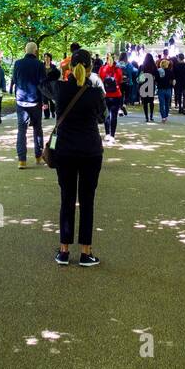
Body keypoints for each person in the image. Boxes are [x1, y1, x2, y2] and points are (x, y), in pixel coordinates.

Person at [51, 49, 105, 267]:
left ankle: (64, 251)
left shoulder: (60, 89)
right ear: (91, 68)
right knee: (87, 201)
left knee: (67, 199)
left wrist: (59, 69)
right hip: (90, 151)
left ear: (70, 67)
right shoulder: (95, 93)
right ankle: (85, 252)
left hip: (65, 151)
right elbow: (102, 117)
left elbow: (42, 83)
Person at [11, 42, 45, 169]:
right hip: (35, 100)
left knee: (21, 131)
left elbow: (15, 80)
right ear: (35, 51)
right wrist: (45, 101)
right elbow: (43, 84)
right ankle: (38, 156)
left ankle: (22, 161)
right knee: (37, 129)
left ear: (25, 50)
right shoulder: (39, 64)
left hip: (21, 101)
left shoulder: (18, 63)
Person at [100, 54, 125, 140]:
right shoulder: (118, 69)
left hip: (105, 94)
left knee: (106, 114)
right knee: (114, 115)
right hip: (116, 94)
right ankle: (112, 135)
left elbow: (100, 79)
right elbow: (120, 80)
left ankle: (107, 133)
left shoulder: (102, 69)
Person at [137, 53, 157, 122]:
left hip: (143, 85)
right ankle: (151, 115)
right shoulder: (154, 66)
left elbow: (138, 76)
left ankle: (146, 117)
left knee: (145, 102)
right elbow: (156, 75)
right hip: (151, 84)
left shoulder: (142, 66)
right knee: (151, 101)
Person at [156, 56, 174, 122]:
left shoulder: (158, 71)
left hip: (161, 89)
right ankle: (166, 115)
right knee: (167, 103)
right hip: (168, 89)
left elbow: (156, 80)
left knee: (161, 104)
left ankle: (163, 117)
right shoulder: (170, 72)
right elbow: (173, 80)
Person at [41, 53, 58, 119]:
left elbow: (56, 75)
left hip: (51, 85)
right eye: (45, 57)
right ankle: (46, 115)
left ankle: (53, 111)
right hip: (44, 85)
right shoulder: (41, 66)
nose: (46, 58)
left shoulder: (53, 66)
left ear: (50, 58)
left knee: (52, 100)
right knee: (44, 101)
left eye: (48, 57)